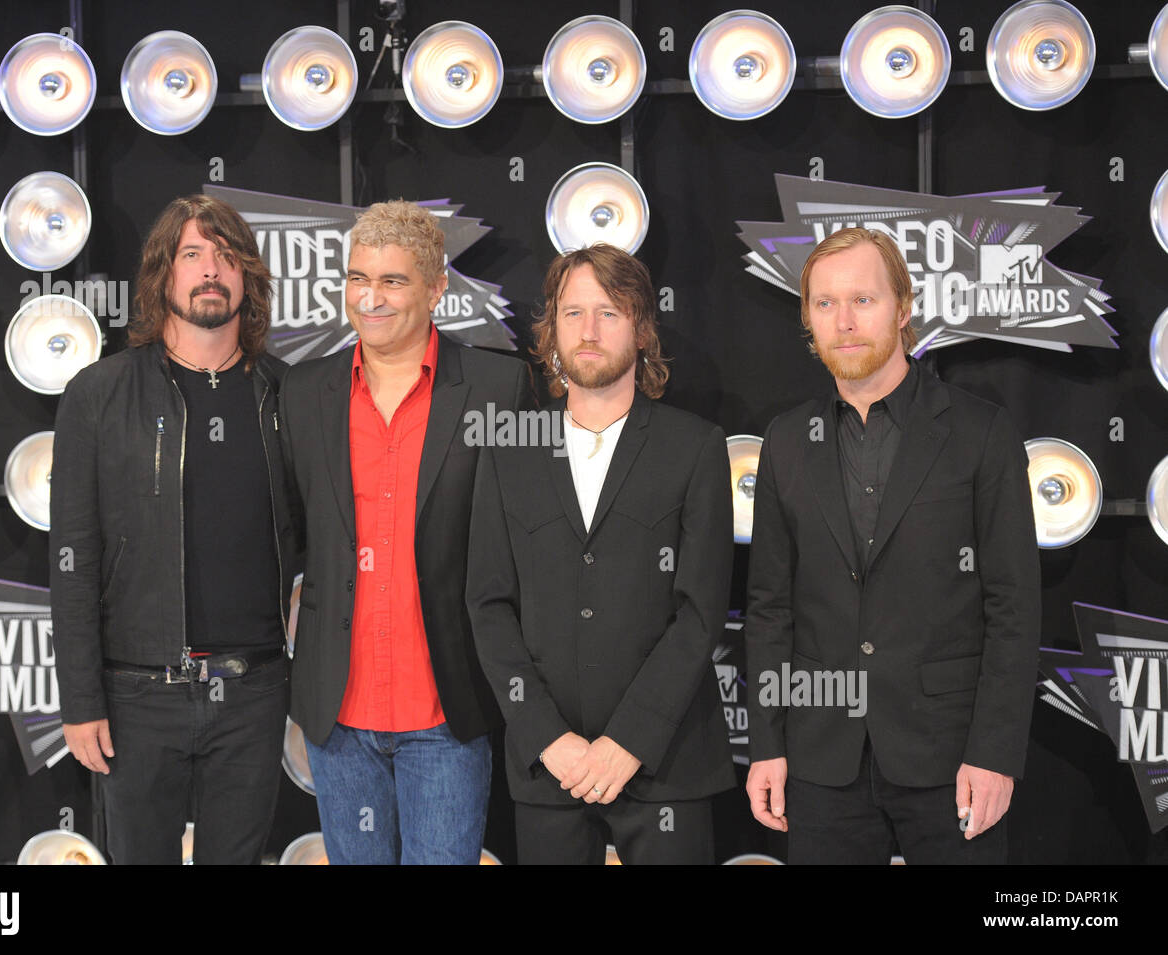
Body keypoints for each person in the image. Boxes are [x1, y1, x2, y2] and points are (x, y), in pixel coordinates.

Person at [744, 227, 1040, 864]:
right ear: (808, 321)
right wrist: (767, 743)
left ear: (903, 310)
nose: (844, 321)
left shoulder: (980, 431)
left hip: (951, 758)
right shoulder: (787, 440)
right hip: (822, 764)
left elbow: (1013, 609)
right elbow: (769, 609)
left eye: (863, 300)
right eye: (825, 304)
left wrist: (994, 754)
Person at [278, 199, 531, 864]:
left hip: (448, 709)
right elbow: (288, 536)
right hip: (340, 714)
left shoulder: (498, 388)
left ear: (437, 287)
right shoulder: (304, 394)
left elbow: (528, 542)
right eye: (359, 278)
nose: (372, 297)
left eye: (393, 281)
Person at [467, 244, 735, 864]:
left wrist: (629, 740)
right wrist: (547, 737)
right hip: (548, 770)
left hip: (666, 763)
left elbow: (700, 611)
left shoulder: (695, 447)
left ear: (642, 329)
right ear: (551, 331)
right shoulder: (509, 447)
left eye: (609, 313)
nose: (588, 332)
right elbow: (488, 605)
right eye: (572, 313)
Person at [50, 194, 297, 864]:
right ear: (164, 275)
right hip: (136, 695)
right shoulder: (98, 394)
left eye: (226, 256)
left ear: (248, 277)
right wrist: (80, 697)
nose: (210, 269)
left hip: (253, 692)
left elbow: (315, 547)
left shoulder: (289, 396)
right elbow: (73, 555)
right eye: (192, 254)